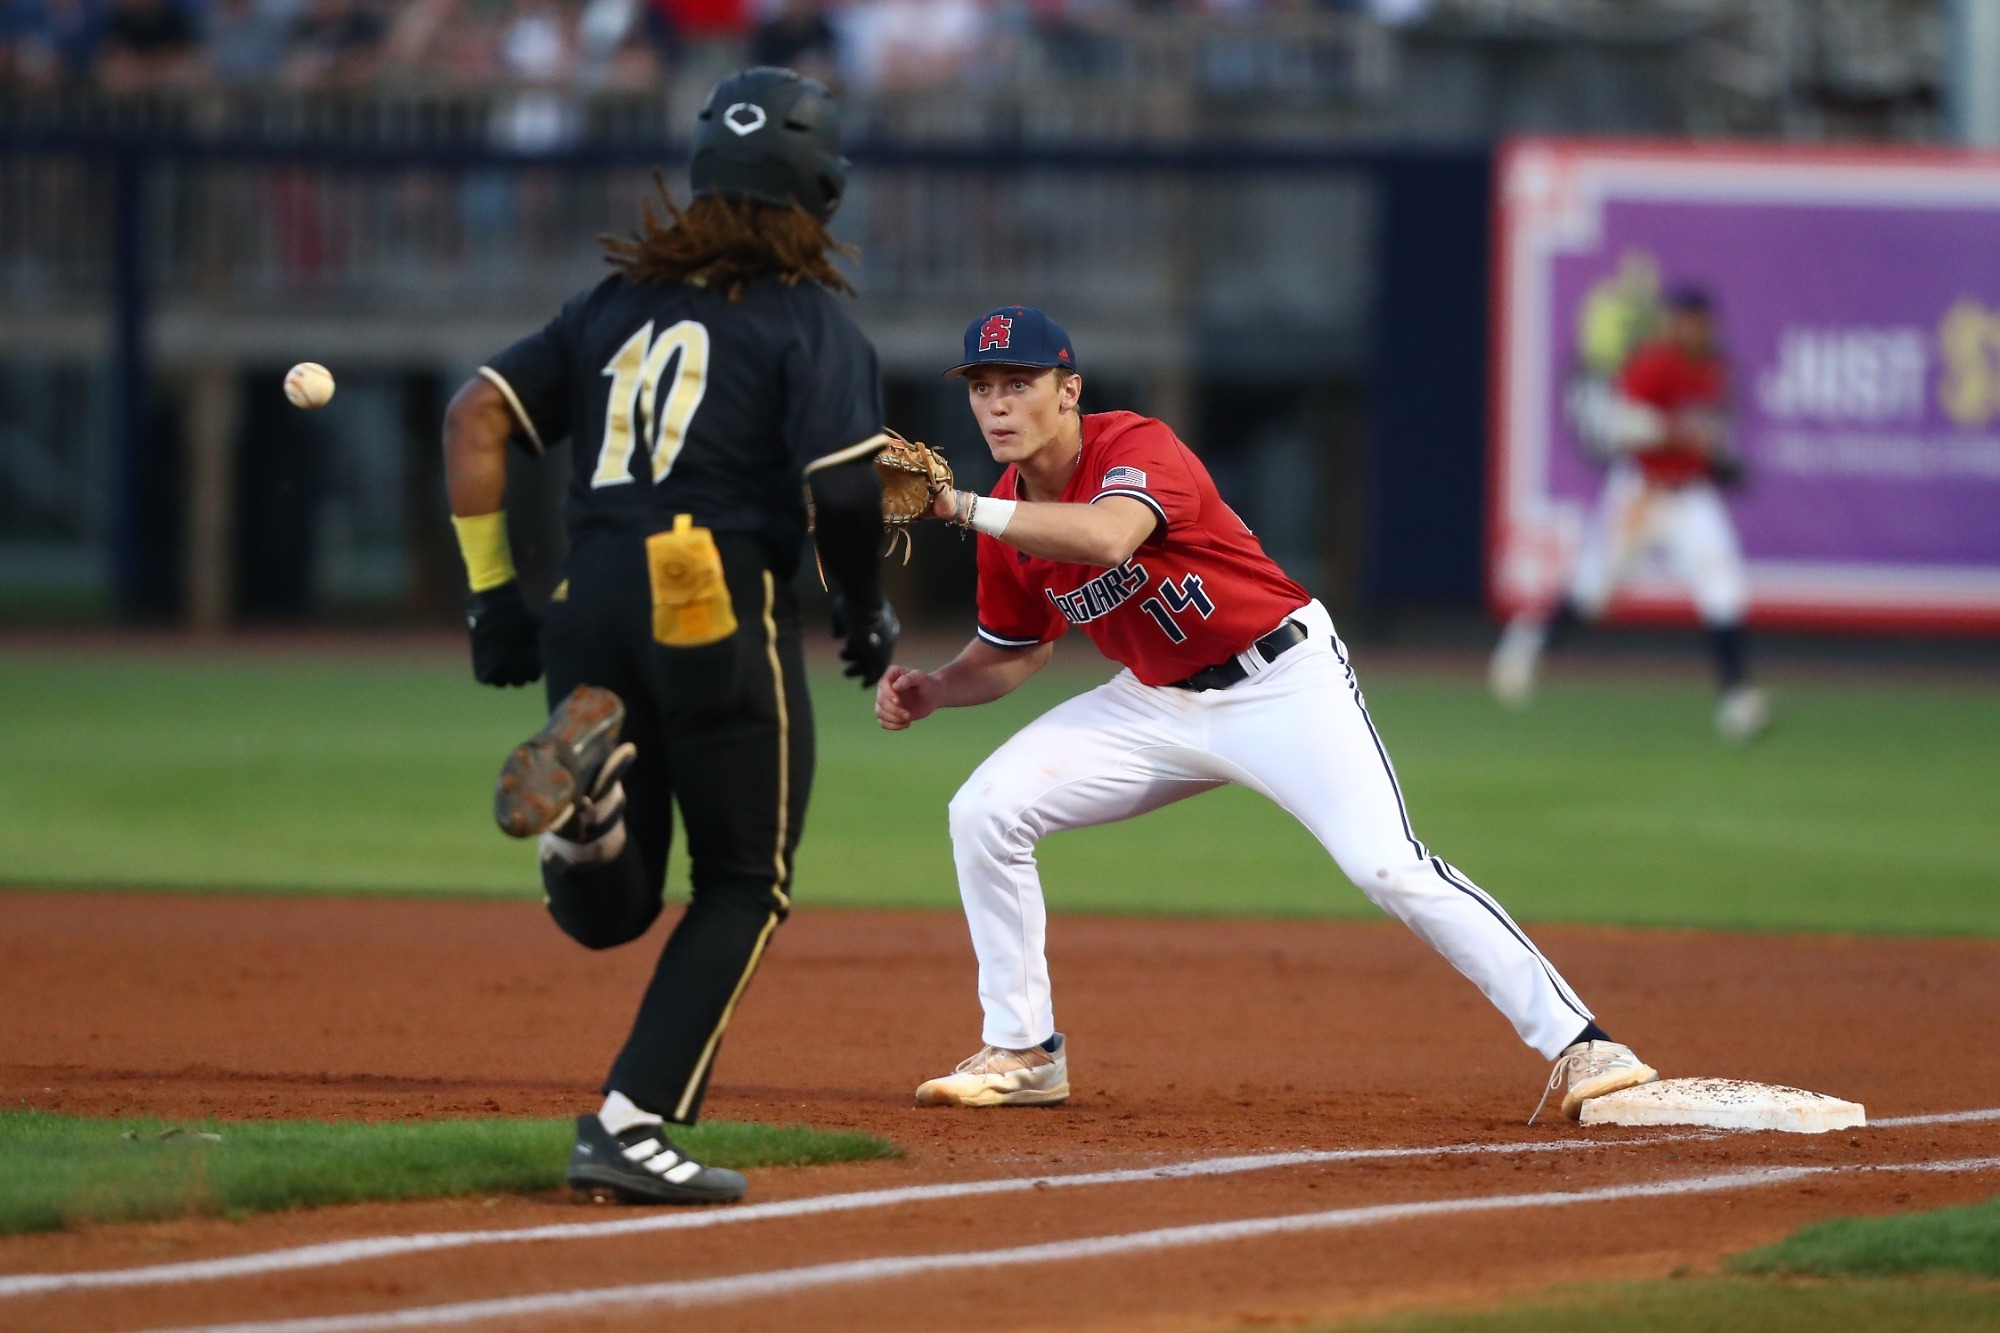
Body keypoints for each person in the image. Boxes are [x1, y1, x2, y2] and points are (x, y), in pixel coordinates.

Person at [875, 305, 1656, 1124]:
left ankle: (1585, 1042)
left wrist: (958, 508)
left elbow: (1108, 538)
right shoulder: (1007, 516)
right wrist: (937, 686)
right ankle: (1023, 1051)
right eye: (982, 387)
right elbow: (1015, 647)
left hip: (1282, 682)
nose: (997, 404)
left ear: (1068, 391)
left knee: (1386, 865)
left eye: (1019, 383)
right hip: (1154, 704)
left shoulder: (1134, 446)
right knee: (985, 810)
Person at [440, 66, 898, 1205]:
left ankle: (584, 819)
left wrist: (494, 596)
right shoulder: (808, 320)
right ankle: (630, 1123)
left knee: (622, 907)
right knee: (744, 878)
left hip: (587, 596)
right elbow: (844, 493)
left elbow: (474, 414)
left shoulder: (609, 306)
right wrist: (860, 606)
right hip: (705, 591)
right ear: (821, 187)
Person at [1491, 287, 1768, 743]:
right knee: (1593, 591)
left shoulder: (1716, 369)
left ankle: (1737, 701)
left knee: (1724, 591)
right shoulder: (1657, 362)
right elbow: (1619, 423)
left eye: (1700, 321)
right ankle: (1529, 644)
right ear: (1675, 323)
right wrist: (1674, 435)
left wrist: (1715, 460)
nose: (1694, 329)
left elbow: (1709, 437)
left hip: (1690, 498)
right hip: (1642, 492)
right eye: (1686, 320)